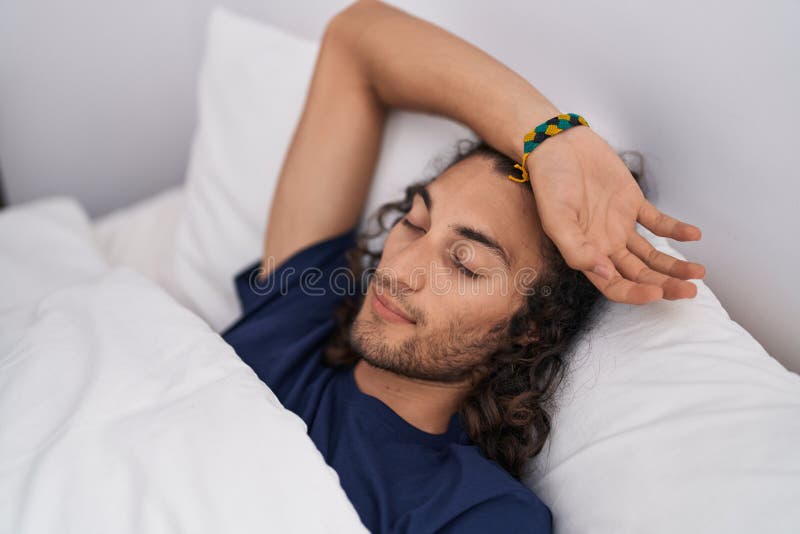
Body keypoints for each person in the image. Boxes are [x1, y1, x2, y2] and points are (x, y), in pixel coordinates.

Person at [222, 1, 706, 532]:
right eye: (415, 221)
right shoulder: (298, 315)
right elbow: (355, 39)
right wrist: (548, 137)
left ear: (531, 328)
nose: (401, 268)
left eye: (466, 263)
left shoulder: (474, 512)